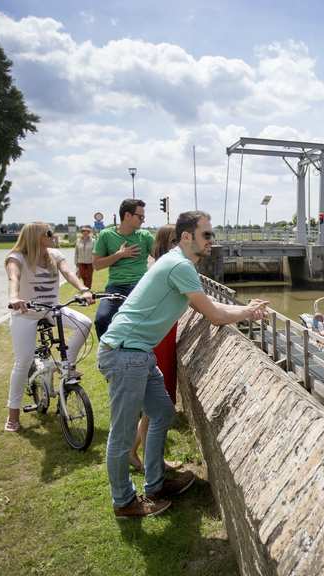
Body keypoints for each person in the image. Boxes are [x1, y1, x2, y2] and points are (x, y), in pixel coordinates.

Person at [98, 210, 267, 518]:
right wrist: (246, 312)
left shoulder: (177, 262)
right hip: (125, 353)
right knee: (121, 435)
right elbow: (213, 314)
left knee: (161, 411)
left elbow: (210, 305)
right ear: (187, 237)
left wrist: (246, 309)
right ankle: (124, 502)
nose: (212, 241)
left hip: (138, 352)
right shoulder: (180, 265)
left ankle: (155, 483)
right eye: (207, 235)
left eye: (212, 235)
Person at [4, 222, 94, 432]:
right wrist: (15, 297)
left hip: (51, 309)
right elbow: (13, 278)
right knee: (23, 361)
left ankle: (67, 366)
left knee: (84, 323)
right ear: (37, 237)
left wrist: (83, 289)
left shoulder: (54, 254)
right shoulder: (16, 257)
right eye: (49, 233)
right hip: (25, 313)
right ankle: (13, 414)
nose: (53, 236)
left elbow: (68, 273)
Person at [129, 224, 179, 473]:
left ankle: (134, 450)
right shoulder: (166, 268)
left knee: (153, 407)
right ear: (163, 243)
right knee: (157, 405)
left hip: (164, 337)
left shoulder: (162, 266)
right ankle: (154, 464)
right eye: (174, 241)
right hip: (160, 340)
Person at [92, 199, 154, 338]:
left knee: (139, 323)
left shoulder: (145, 236)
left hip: (140, 285)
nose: (143, 220)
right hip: (116, 286)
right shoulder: (106, 235)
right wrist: (119, 255)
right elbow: (97, 265)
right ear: (127, 216)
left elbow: (161, 256)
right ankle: (106, 356)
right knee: (102, 320)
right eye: (140, 216)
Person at [75, 225, 95, 290]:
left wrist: (94, 262)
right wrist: (76, 263)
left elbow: (94, 252)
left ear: (89, 232)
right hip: (81, 262)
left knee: (89, 278)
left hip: (90, 263)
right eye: (83, 231)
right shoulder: (78, 241)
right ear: (81, 232)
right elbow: (76, 253)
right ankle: (86, 289)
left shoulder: (93, 241)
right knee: (83, 276)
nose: (85, 232)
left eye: (87, 231)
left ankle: (87, 290)